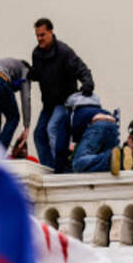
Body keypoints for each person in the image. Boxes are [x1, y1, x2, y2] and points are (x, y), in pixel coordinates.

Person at [29, 18, 94, 173]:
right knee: (38, 134)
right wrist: (31, 74)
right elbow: (37, 72)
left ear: (51, 32)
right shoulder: (37, 54)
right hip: (49, 103)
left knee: (52, 128)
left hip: (64, 101)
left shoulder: (64, 52)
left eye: (42, 35)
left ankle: (61, 168)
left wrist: (87, 83)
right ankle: (49, 168)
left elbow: (82, 68)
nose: (39, 39)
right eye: (37, 35)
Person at [66, 92, 122, 175]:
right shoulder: (98, 109)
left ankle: (109, 159)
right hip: (112, 123)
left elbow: (61, 146)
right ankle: (122, 158)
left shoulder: (74, 113)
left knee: (78, 163)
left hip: (97, 124)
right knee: (112, 157)